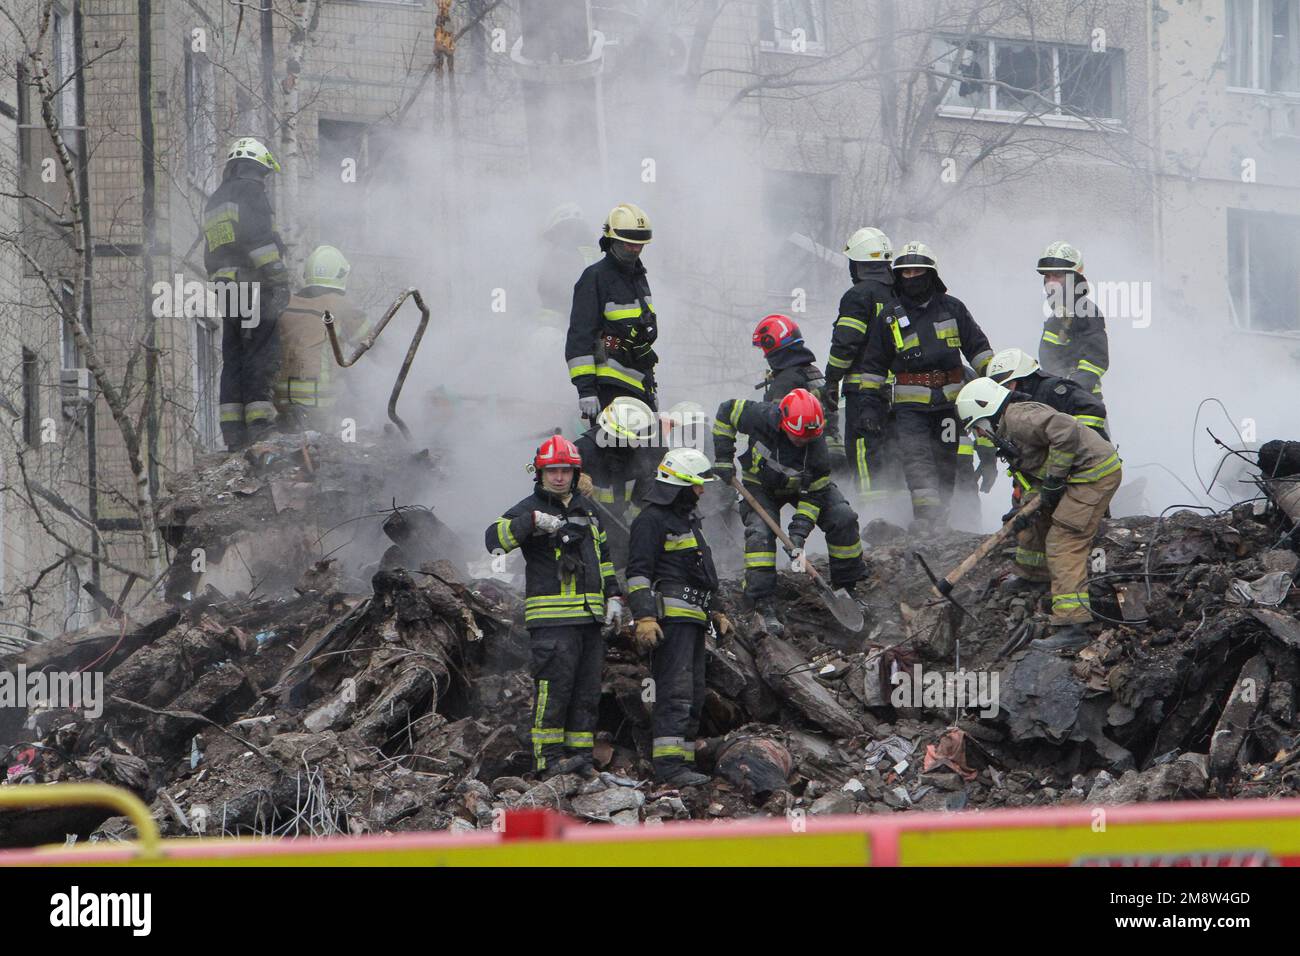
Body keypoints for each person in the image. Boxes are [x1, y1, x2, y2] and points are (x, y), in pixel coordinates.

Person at [484, 436, 623, 779]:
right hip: (553, 623)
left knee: (586, 692)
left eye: (565, 471)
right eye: (552, 471)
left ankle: (579, 757)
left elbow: (603, 560)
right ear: (540, 473)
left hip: (590, 621)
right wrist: (530, 522)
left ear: (575, 474)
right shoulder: (529, 506)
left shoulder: (588, 510)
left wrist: (615, 598)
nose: (559, 477)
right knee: (554, 691)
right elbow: (494, 540)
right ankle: (549, 761)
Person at [956, 378, 1122, 647]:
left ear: (985, 411)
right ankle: (1032, 577)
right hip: (1075, 475)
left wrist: (1055, 480)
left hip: (1094, 475)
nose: (980, 435)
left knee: (1064, 541)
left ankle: (1073, 625)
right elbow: (1035, 469)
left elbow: (1065, 430)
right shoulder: (1009, 424)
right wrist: (1031, 504)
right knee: (1034, 522)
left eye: (977, 427)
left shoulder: (1020, 417)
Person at [854, 241, 995, 527]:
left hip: (949, 405)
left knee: (948, 460)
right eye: (905, 273)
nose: (912, 277)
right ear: (898, 276)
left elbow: (979, 350)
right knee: (916, 462)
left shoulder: (953, 309)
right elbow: (873, 367)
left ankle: (948, 518)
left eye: (918, 271)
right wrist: (868, 406)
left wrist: (997, 386)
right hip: (909, 409)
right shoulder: (890, 316)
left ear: (931, 274)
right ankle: (925, 519)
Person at [711, 388, 866, 635]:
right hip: (760, 486)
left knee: (843, 518)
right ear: (784, 421)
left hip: (801, 489)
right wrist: (723, 458)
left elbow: (814, 496)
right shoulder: (760, 416)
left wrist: (798, 536)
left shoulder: (817, 449)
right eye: (798, 437)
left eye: (807, 438)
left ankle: (847, 587)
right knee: (761, 535)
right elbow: (725, 411)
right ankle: (761, 602)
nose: (802, 441)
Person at [626, 447, 725, 787]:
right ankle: (668, 767)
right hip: (672, 621)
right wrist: (644, 617)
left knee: (695, 691)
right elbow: (637, 573)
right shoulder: (651, 521)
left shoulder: (688, 521)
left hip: (695, 618)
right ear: (679, 484)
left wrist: (718, 609)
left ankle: (684, 762)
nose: (701, 491)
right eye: (696, 485)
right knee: (675, 690)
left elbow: (703, 573)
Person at [203, 137, 290, 451]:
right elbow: (258, 241)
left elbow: (211, 252)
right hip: (253, 284)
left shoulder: (214, 200)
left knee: (234, 356)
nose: (264, 182)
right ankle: (260, 427)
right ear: (256, 168)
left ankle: (233, 432)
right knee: (260, 353)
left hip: (226, 288)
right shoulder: (251, 192)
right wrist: (279, 279)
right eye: (264, 175)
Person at [825, 227, 900, 506]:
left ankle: (874, 514)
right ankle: (900, 514)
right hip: (901, 393)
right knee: (895, 452)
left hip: (863, 391)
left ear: (856, 263)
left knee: (863, 449)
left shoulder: (858, 296)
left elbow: (846, 343)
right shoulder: (901, 294)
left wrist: (832, 380)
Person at [565, 203, 659, 422]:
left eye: (639, 244)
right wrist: (586, 390)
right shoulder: (595, 277)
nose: (635, 249)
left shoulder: (637, 277)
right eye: (629, 244)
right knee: (613, 453)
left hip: (640, 384)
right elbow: (580, 335)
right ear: (612, 240)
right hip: (610, 386)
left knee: (648, 452)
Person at [274, 245, 369, 430]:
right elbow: (374, 344)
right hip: (322, 407)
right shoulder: (340, 305)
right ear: (340, 276)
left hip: (282, 406)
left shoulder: (285, 305)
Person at [572, 396, 661, 565]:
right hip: (583, 531)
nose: (637, 445)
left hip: (618, 530)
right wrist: (575, 477)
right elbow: (546, 477)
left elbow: (646, 498)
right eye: (633, 439)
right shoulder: (583, 450)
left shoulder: (639, 457)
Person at [1036, 241, 1108, 399]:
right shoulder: (1058, 316)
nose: (1050, 282)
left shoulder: (1086, 312)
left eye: (1058, 275)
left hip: (1083, 405)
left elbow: (1097, 359)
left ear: (1074, 278)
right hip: (1061, 401)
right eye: (1047, 276)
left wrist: (1070, 388)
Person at [986, 347, 1109, 439]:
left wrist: (1073, 440)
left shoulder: (1053, 390)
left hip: (1091, 463)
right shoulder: (1022, 405)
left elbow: (1094, 409)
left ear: (1023, 380)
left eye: (1007, 385)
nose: (1005, 392)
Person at [752, 313, 827, 404]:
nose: (764, 355)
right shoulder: (812, 371)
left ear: (771, 343)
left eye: (763, 349)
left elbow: (773, 416)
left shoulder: (785, 382)